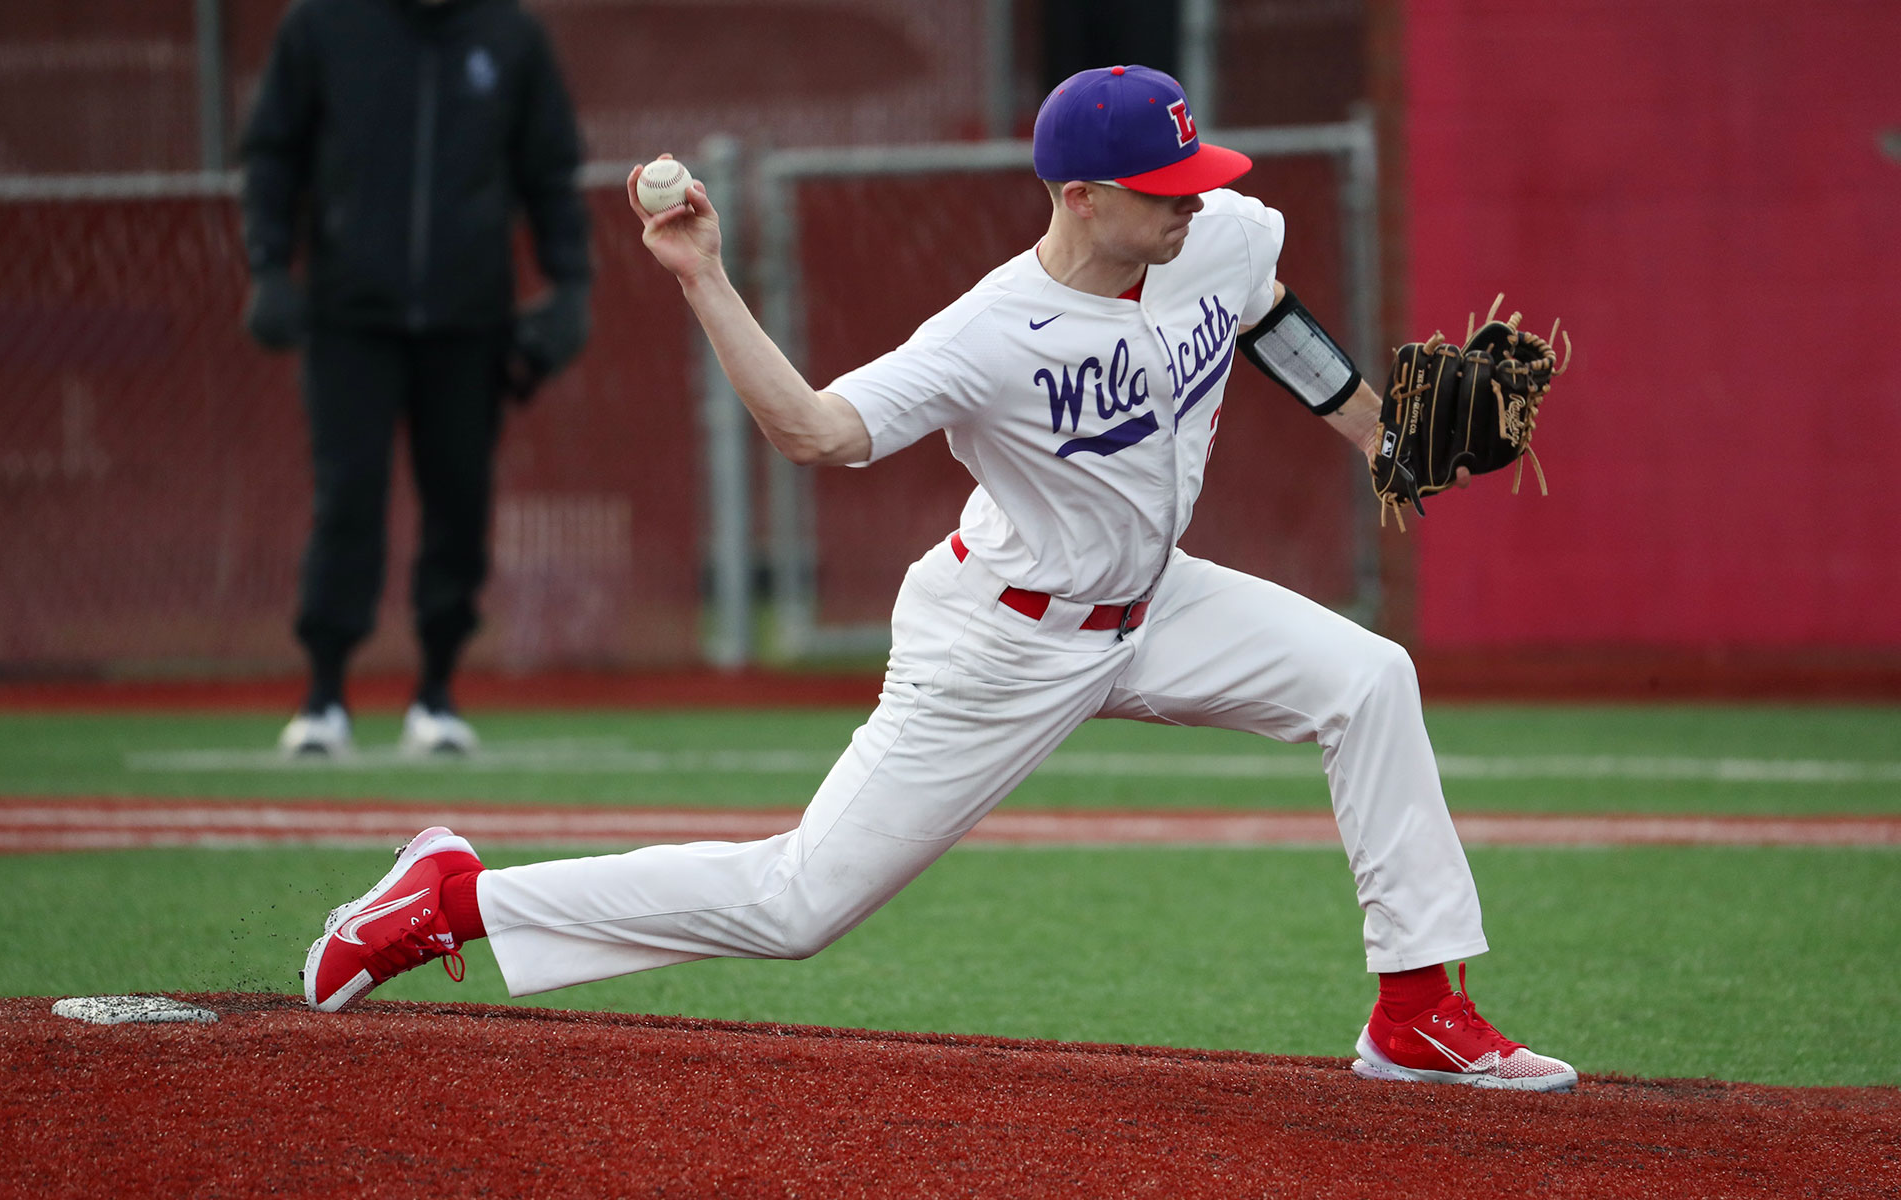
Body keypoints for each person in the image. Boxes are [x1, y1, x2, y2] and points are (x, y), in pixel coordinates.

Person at [300, 66, 1576, 1092]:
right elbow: (813, 430)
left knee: (1369, 679)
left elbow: (1269, 313)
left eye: (1198, 177)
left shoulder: (1217, 235)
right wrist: (705, 279)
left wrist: (1381, 436)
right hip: (1003, 641)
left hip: (1160, 602)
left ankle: (1417, 1011)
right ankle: (453, 901)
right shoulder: (989, 335)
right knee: (796, 906)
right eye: (1165, 189)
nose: (1195, 202)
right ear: (1082, 197)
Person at [239, 0, 592, 758]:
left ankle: (436, 690)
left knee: (460, 503)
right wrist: (267, 264)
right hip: (348, 319)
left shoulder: (510, 37)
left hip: (470, 322)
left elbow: (549, 171)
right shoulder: (322, 26)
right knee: (347, 497)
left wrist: (570, 288)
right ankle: (324, 695)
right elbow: (273, 151)